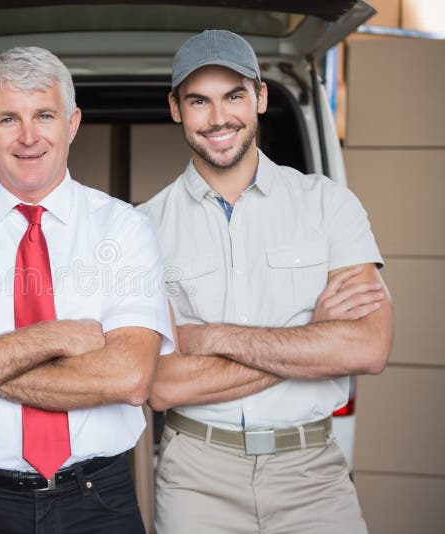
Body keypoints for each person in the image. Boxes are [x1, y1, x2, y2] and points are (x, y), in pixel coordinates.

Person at [0, 46, 174, 533]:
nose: (28, 137)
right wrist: (56, 338)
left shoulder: (124, 228)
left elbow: (128, 377)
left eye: (44, 115)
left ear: (72, 123)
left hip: (97, 502)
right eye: (8, 119)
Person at [137, 30, 394, 533]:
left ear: (260, 96)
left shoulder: (328, 204)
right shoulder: (144, 228)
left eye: (234, 95)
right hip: (196, 477)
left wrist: (212, 338)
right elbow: (163, 386)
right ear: (175, 108)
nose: (218, 119)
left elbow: (368, 348)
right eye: (198, 101)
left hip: (313, 472)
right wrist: (312, 339)